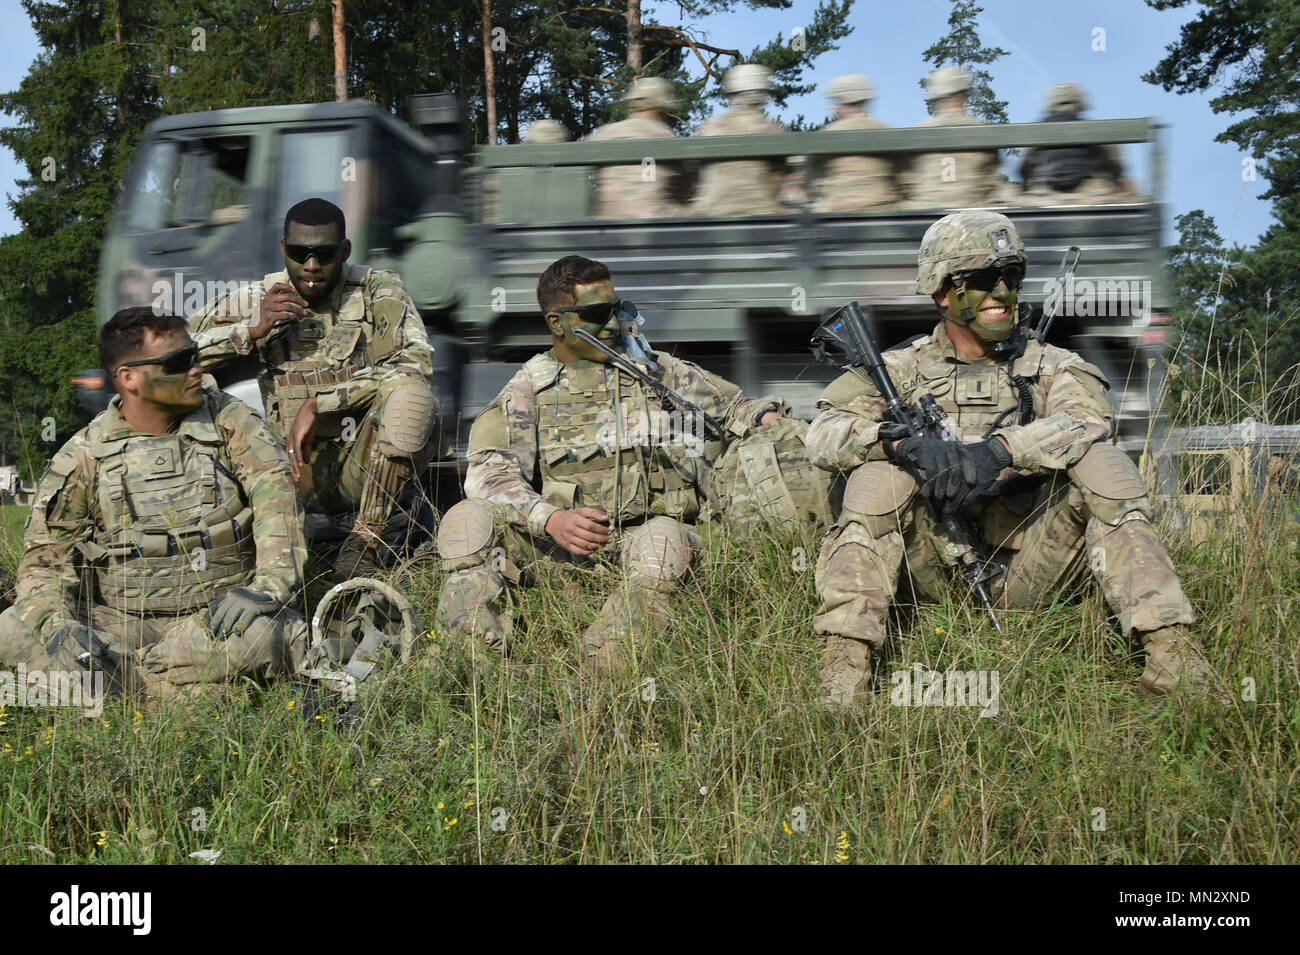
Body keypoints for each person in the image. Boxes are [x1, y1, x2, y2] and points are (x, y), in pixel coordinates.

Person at [808, 211, 1212, 704]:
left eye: (1011, 277)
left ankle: (1176, 663)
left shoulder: (1052, 364)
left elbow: (1088, 420)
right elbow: (822, 435)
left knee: (1105, 465)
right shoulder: (897, 370)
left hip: (1032, 571)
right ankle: (844, 675)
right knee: (875, 479)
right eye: (980, 280)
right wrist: (897, 445)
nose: (1000, 292)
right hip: (931, 571)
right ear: (942, 292)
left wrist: (998, 452)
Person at [434, 254, 788, 670]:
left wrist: (765, 417)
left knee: (662, 542)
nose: (613, 323)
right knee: (466, 523)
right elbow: (487, 473)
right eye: (599, 313)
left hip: (644, 541)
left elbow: (734, 408)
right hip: (560, 549)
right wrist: (549, 520)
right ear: (558, 323)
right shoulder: (530, 388)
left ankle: (601, 676)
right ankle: (477, 669)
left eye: (617, 308)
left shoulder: (657, 372)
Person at [0, 307, 307, 700]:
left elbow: (277, 502)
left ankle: (121, 689)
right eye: (178, 363)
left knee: (266, 635)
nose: (196, 370)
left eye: (194, 356)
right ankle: (189, 692)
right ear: (129, 378)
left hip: (217, 618)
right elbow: (43, 561)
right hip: (120, 621)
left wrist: (268, 586)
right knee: (14, 631)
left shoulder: (231, 422)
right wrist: (60, 628)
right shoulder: (84, 455)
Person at [188, 198, 438, 580]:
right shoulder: (260, 298)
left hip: (360, 470)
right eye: (300, 254)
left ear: (345, 251)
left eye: (324, 254)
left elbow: (414, 364)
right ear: (284, 250)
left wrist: (318, 405)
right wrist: (249, 332)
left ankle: (364, 546)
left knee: (411, 397)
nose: (311, 266)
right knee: (191, 392)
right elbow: (170, 356)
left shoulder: (378, 290)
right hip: (285, 472)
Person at [902, 66, 1002, 209]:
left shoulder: (917, 133)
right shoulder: (982, 130)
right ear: (965, 96)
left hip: (925, 216)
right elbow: (991, 181)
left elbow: (906, 181)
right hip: (972, 215)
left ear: (935, 98)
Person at [694, 64, 787, 216]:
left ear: (732, 93)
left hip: (713, 213)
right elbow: (777, 179)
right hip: (763, 214)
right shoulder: (772, 130)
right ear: (763, 92)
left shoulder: (711, 127)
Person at [586, 77, 682, 218]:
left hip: (607, 224)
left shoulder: (605, 134)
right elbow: (686, 188)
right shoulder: (667, 136)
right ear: (661, 106)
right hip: (657, 226)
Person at [1019, 83, 1129, 202]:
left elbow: (1023, 170)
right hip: (1089, 197)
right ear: (1079, 104)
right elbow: (1115, 167)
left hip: (1044, 197)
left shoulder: (1035, 133)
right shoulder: (1096, 130)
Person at [813, 74, 899, 212]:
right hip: (885, 211)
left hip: (837, 213)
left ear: (844, 100)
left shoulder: (827, 134)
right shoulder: (886, 130)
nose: (833, 108)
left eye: (836, 101)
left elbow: (815, 183)